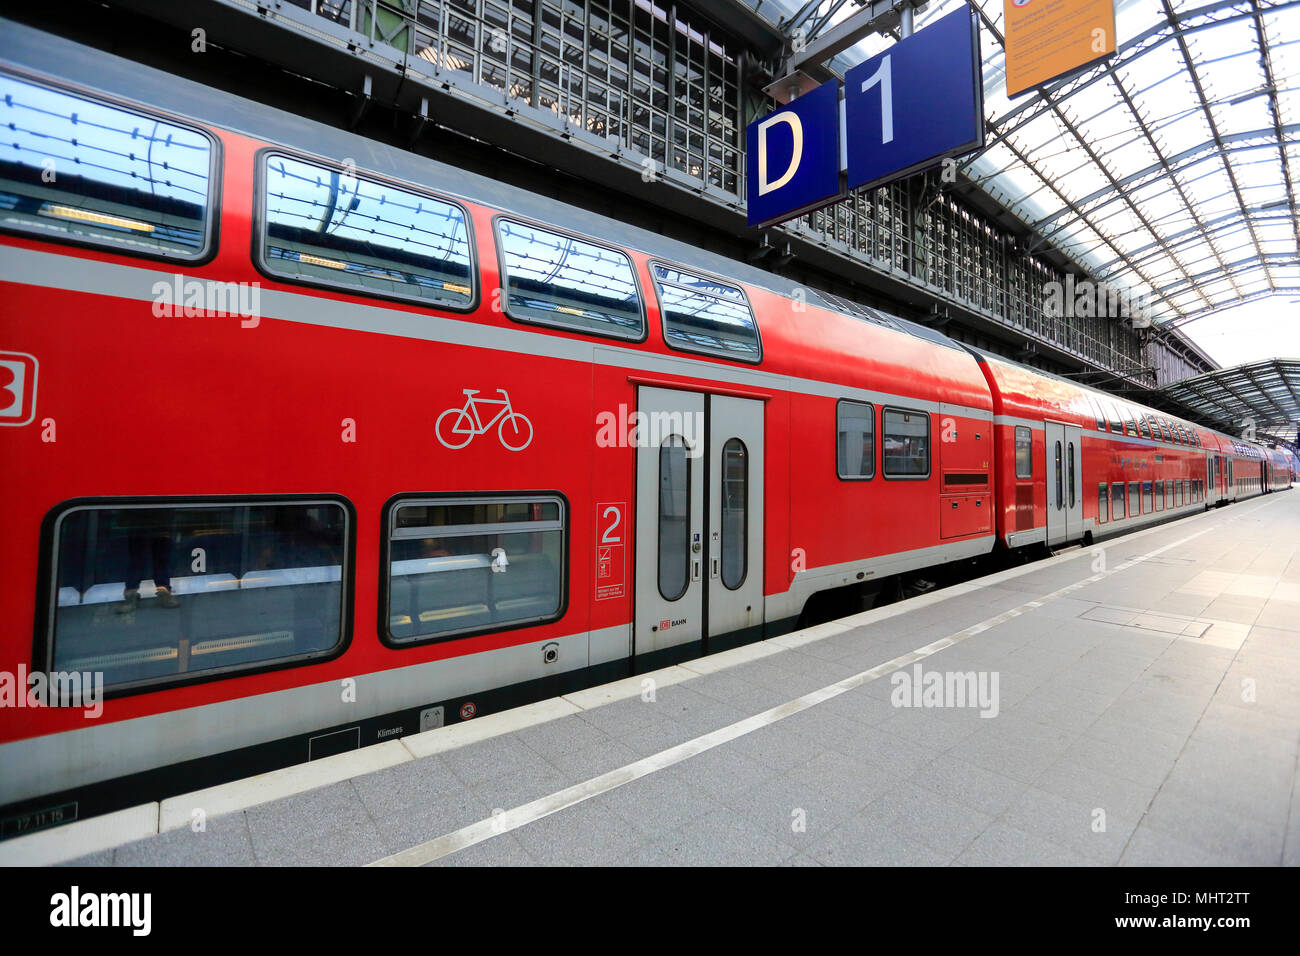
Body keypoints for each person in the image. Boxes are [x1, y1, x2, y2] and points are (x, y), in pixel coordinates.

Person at [115, 508, 180, 613]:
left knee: (161, 558)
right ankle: (131, 595)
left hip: (160, 517)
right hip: (139, 515)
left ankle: (163, 591)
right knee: (137, 558)